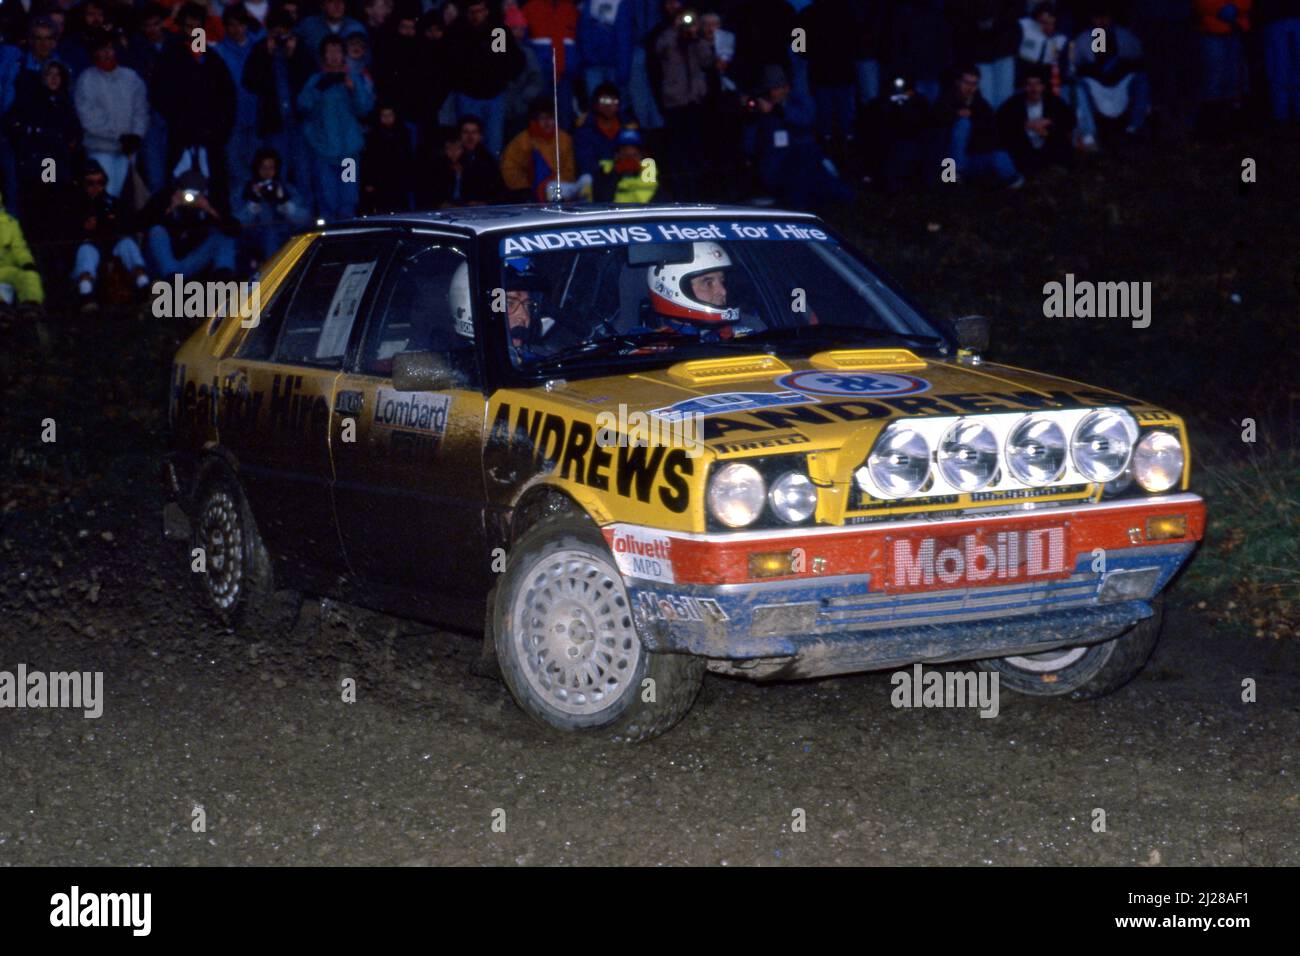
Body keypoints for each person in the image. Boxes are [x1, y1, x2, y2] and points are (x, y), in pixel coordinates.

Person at [742, 64, 854, 207]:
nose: (775, 92)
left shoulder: (798, 100)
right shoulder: (761, 109)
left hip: (805, 159)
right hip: (778, 166)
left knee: (830, 187)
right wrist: (751, 118)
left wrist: (778, 110)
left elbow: (805, 119)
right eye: (772, 89)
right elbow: (749, 146)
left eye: (778, 88)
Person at [297, 34, 375, 220]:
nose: (333, 56)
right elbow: (302, 106)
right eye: (329, 52)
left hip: (349, 153)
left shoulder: (355, 78)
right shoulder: (315, 80)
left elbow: (365, 109)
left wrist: (352, 90)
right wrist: (318, 89)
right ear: (323, 55)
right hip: (324, 154)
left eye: (337, 51)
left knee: (349, 199)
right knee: (327, 200)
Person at [242, 10, 316, 203]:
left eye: (284, 32)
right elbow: (249, 82)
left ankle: (304, 215)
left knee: (303, 171)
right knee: (277, 171)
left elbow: (311, 81)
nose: (280, 36)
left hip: (300, 122)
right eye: (276, 32)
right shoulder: (261, 49)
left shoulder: (300, 48)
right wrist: (266, 55)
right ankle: (280, 214)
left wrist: (294, 56)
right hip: (274, 124)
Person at [444, 0, 525, 157]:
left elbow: (503, 59)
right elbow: (450, 61)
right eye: (472, 12)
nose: (476, 16)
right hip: (468, 96)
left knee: (493, 144)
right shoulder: (458, 31)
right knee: (468, 143)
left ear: (487, 11)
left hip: (493, 96)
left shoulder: (496, 31)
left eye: (480, 11)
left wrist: (501, 78)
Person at [67, 161, 150, 310]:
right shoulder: (73, 205)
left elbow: (129, 224)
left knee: (128, 244)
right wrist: (83, 228)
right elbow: (66, 235)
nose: (96, 187)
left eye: (100, 182)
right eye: (90, 183)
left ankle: (143, 286)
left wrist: (111, 222)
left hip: (111, 246)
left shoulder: (113, 202)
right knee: (86, 251)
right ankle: (86, 295)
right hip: (87, 247)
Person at [73, 34, 148, 198]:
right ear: (95, 52)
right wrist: (119, 136)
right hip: (100, 148)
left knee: (125, 195)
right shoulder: (86, 79)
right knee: (104, 193)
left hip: (128, 150)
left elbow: (141, 110)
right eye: (102, 49)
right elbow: (89, 118)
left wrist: (136, 134)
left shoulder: (131, 77)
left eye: (110, 48)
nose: (107, 53)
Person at [637, 240, 756, 342]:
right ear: (672, 288)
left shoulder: (747, 337)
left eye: (722, 281)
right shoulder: (647, 345)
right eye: (708, 283)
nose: (723, 291)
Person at [654, 6, 713, 198]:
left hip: (695, 101)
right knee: (677, 151)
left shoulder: (696, 39)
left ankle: (698, 190)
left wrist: (696, 36)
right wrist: (675, 30)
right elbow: (660, 50)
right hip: (675, 102)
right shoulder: (667, 37)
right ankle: (679, 191)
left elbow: (707, 60)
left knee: (696, 149)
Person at [1072, 7, 1151, 148]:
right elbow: (1074, 66)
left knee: (1141, 79)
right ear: (1091, 18)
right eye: (1098, 17)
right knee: (1078, 86)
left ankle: (1134, 128)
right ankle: (1089, 135)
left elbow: (1139, 58)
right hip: (1096, 87)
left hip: (1120, 86)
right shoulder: (1083, 39)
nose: (1101, 21)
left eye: (1105, 17)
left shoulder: (1124, 35)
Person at [141, 167, 238, 280]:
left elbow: (235, 229)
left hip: (189, 264)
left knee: (223, 235)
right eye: (187, 193)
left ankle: (223, 280)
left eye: (195, 194)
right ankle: (173, 281)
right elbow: (142, 224)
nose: (190, 198)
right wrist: (169, 209)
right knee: (156, 231)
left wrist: (210, 210)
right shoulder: (163, 199)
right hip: (162, 266)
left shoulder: (207, 203)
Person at [938, 64, 1024, 187]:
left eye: (974, 84)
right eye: (966, 83)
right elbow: (937, 122)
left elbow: (991, 134)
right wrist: (956, 115)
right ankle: (952, 178)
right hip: (948, 162)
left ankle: (1016, 183)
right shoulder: (946, 100)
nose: (970, 88)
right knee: (963, 123)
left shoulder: (981, 105)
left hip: (974, 158)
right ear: (958, 82)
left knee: (1000, 156)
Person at [234, 148, 308, 264]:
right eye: (263, 168)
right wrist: (254, 201)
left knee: (272, 235)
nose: (267, 172)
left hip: (283, 239)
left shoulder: (286, 188)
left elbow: (304, 219)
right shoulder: (244, 189)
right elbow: (236, 222)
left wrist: (284, 202)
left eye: (271, 168)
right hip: (251, 240)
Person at [997, 65, 1074, 176]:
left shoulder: (1052, 100)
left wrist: (1048, 122)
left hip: (1047, 146)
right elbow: (1000, 121)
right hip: (1025, 149)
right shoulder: (1014, 102)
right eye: (1029, 84)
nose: (1033, 88)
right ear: (1024, 87)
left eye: (1037, 84)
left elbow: (1071, 120)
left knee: (1060, 136)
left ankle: (1055, 166)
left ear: (1043, 86)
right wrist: (1025, 125)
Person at [500, 98, 577, 201]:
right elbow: (509, 170)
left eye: (550, 118)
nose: (547, 122)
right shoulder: (522, 141)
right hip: (529, 195)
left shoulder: (564, 139)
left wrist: (549, 183)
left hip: (559, 190)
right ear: (534, 120)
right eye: (543, 118)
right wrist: (530, 185)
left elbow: (570, 170)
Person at [360, 103, 413, 213]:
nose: (387, 119)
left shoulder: (403, 133)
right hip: (380, 183)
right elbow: (368, 160)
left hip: (400, 181)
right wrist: (368, 182)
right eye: (383, 116)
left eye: (390, 115)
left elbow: (408, 158)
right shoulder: (373, 135)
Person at [0, 191, 45, 315]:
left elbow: (19, 248)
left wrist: (27, 263)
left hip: (6, 269)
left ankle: (31, 305)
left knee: (29, 275)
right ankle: (3, 310)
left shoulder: (10, 223)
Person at [573, 81, 630, 176]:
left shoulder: (628, 127)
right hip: (598, 181)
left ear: (618, 105)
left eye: (613, 101)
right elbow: (586, 165)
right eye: (604, 101)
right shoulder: (585, 130)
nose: (608, 105)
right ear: (596, 104)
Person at [593, 127, 661, 202]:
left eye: (634, 155)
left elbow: (659, 200)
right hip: (615, 212)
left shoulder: (650, 171)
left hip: (642, 212)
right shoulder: (605, 170)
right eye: (625, 155)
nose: (630, 160)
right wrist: (615, 174)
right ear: (616, 155)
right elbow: (601, 200)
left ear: (641, 155)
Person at [1260, 0, 1300, 122]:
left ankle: (1287, 112)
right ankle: (1282, 113)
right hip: (1275, 20)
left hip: (1289, 19)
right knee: (1280, 68)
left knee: (1289, 67)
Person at [296, 0, 366, 66]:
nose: (337, 5)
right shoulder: (309, 25)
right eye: (331, 1)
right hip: (316, 76)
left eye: (341, 1)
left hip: (350, 76)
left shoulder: (356, 27)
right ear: (322, 5)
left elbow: (366, 59)